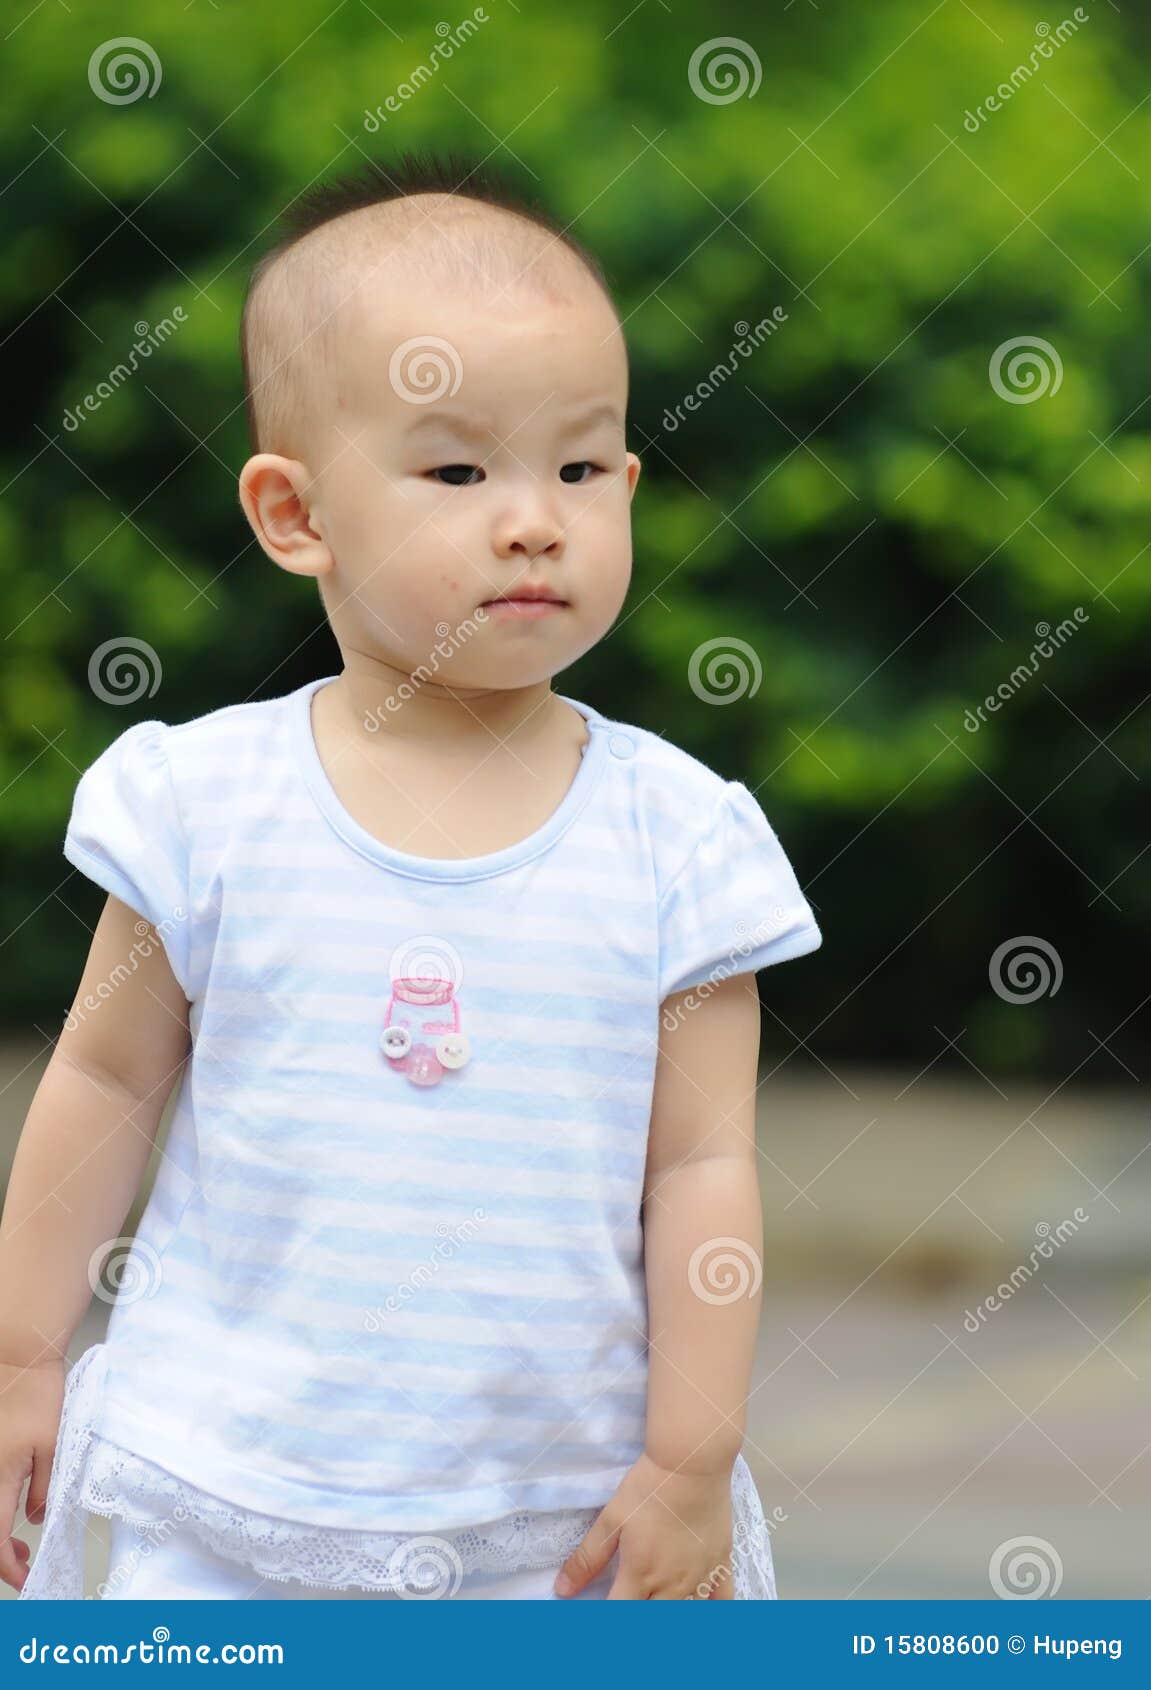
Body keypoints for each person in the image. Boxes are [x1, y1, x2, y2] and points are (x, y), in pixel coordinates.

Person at [0, 150, 822, 1601]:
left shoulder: (679, 842)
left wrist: (689, 1465)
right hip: (230, 1495)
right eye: (458, 470)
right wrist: (20, 1353)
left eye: (579, 468)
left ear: (628, 481)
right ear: (293, 514)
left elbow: (703, 1168)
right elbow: (107, 1082)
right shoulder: (206, 808)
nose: (533, 517)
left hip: (560, 1516)